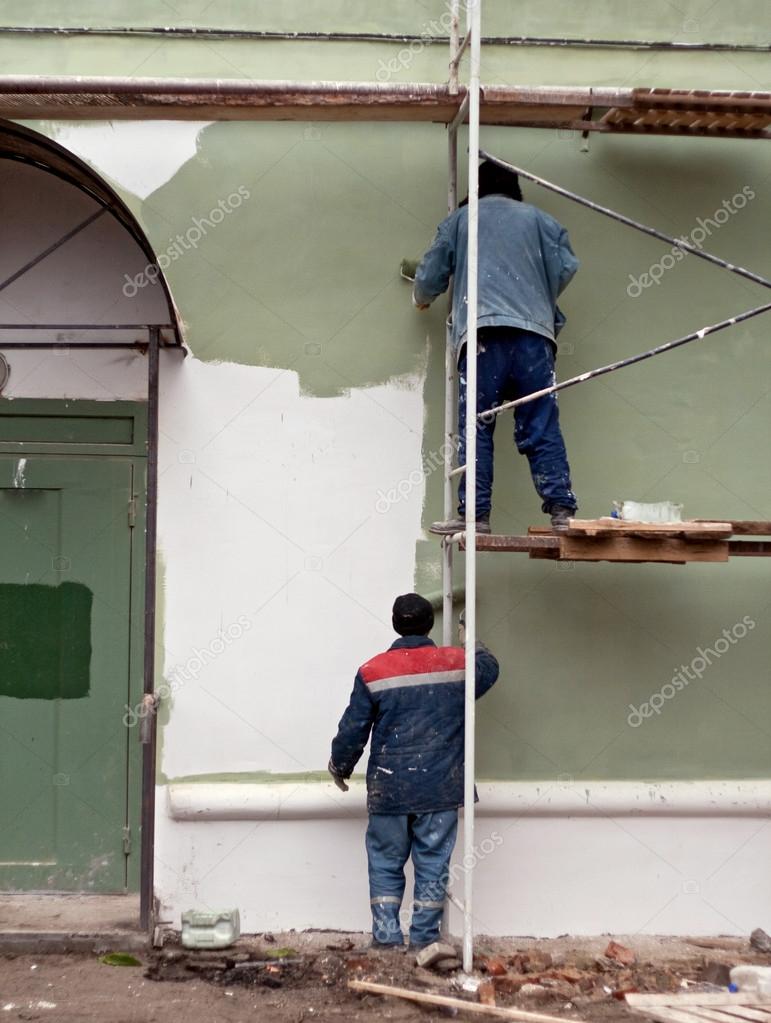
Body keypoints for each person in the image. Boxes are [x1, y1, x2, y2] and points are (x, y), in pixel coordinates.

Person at [412, 159, 579, 532]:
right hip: (535, 337)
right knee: (541, 422)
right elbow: (566, 267)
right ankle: (561, 511)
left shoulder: (463, 219)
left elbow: (431, 272)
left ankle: (475, 516)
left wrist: (420, 298)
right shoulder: (542, 221)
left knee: (477, 424)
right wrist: (535, 296)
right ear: (514, 190)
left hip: (483, 333)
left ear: (478, 189)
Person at [328, 593, 498, 950]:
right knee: (433, 862)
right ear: (429, 625)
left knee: (386, 860)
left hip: (390, 788)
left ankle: (387, 939)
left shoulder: (373, 670)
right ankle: (424, 940)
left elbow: (353, 728)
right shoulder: (456, 663)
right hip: (440, 787)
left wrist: (340, 766)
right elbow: (488, 671)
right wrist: (471, 641)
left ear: (395, 624)